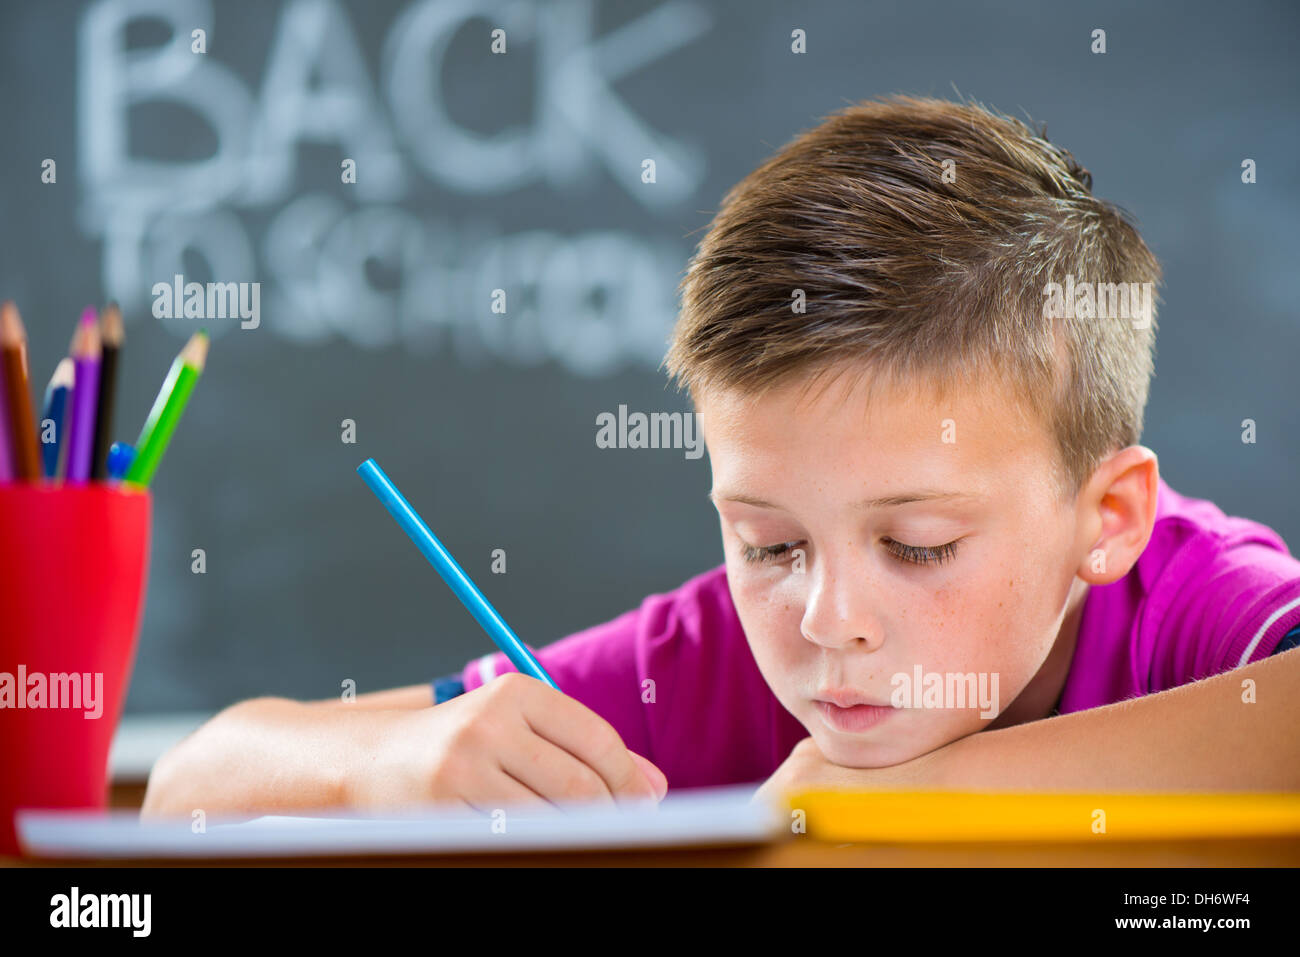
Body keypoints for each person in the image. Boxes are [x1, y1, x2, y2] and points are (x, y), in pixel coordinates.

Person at [142, 95, 1300, 818]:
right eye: (770, 543)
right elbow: (195, 787)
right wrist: (378, 770)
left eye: (918, 544)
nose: (826, 620)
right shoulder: (702, 663)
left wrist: (892, 808)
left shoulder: (1193, 610)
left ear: (1106, 518)